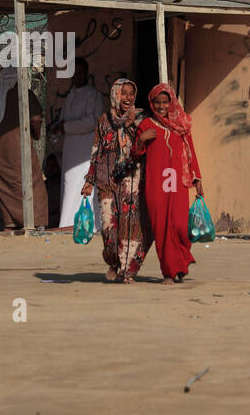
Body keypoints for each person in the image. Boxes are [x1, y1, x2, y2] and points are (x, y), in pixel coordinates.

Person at [80, 78, 150, 282]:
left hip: (131, 179)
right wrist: (89, 180)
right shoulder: (104, 120)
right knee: (108, 227)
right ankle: (113, 262)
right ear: (115, 95)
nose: (127, 98)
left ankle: (127, 271)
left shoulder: (140, 118)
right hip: (105, 178)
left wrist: (131, 127)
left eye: (131, 94)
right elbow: (96, 151)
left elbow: (146, 147)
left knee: (130, 226)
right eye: (123, 93)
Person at [136, 82, 203, 284]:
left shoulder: (181, 125)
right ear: (152, 103)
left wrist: (197, 178)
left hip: (178, 184)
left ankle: (181, 262)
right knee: (162, 228)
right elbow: (135, 154)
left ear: (171, 102)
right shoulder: (146, 125)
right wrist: (141, 140)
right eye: (158, 102)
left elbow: (191, 153)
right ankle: (168, 271)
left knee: (180, 226)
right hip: (156, 184)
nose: (162, 106)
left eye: (165, 102)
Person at [0, 64, 48, 230]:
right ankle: (37, 221)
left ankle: (10, 222)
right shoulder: (25, 94)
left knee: (5, 187)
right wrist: (35, 134)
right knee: (34, 183)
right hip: (20, 150)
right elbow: (36, 119)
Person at [53, 58, 103, 230]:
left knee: (84, 185)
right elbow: (65, 118)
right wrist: (59, 126)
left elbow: (92, 121)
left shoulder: (93, 94)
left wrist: (66, 126)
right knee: (69, 186)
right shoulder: (71, 94)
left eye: (81, 72)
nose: (78, 76)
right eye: (75, 73)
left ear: (86, 74)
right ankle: (67, 223)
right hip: (71, 150)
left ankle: (88, 225)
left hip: (86, 150)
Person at [42, 153, 63, 228]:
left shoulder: (62, 187)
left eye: (54, 165)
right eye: (48, 165)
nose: (50, 168)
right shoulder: (42, 185)